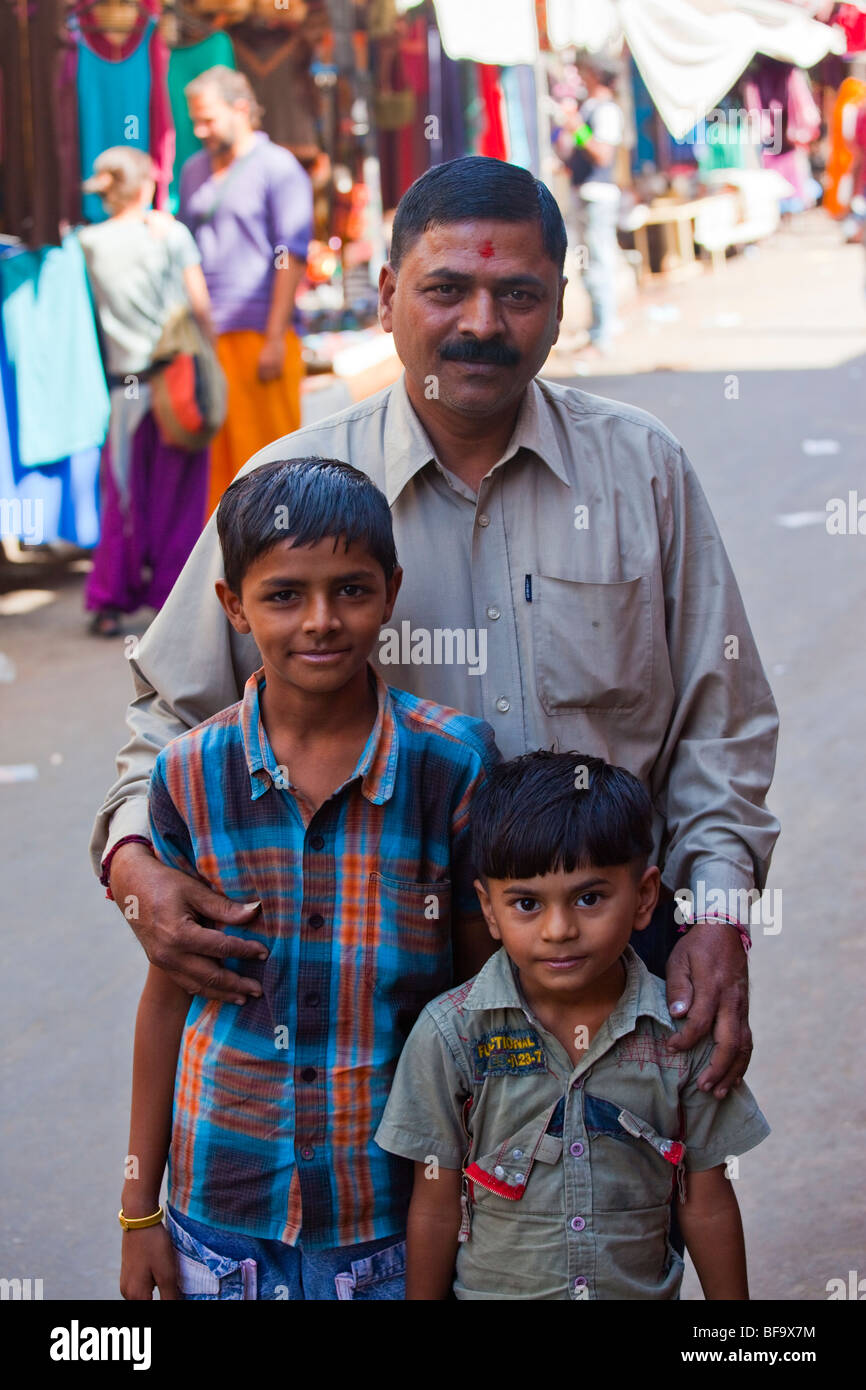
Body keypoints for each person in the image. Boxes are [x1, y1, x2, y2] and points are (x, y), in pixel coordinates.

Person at [93, 156, 779, 1108]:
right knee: (398, 1255)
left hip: (618, 984)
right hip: (374, 1003)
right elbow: (171, 717)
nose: (482, 326)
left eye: (519, 294)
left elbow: (723, 723)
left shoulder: (642, 473)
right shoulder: (293, 488)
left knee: (616, 1247)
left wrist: (716, 917)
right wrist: (134, 868)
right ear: (386, 296)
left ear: (562, 300)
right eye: (446, 289)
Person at [117, 456, 499, 1300]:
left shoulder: (453, 764)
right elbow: (167, 999)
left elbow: (478, 988)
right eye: (285, 595)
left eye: (351, 591)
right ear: (233, 605)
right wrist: (139, 1209)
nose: (321, 621)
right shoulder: (188, 774)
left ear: (392, 591)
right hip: (222, 1210)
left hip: (392, 1211)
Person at [376, 751, 769, 1300]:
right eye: (527, 904)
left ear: (644, 897)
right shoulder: (453, 1034)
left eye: (589, 898)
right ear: (489, 910)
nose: (559, 930)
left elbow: (705, 1201)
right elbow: (436, 1204)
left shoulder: (680, 1036)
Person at [78, 147, 214, 636]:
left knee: (122, 496)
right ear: (145, 186)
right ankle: (171, 598)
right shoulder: (170, 235)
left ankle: (109, 601)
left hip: (123, 388)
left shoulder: (87, 243)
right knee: (179, 492)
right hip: (175, 381)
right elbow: (200, 307)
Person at [179, 66, 312, 517]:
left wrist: (275, 335)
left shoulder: (278, 167)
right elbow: (186, 251)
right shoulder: (194, 169)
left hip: (259, 334)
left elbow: (290, 254)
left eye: (208, 119)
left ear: (241, 108)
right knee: (217, 478)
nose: (199, 130)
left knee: (271, 470)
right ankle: (227, 575)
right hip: (208, 339)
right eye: (194, 120)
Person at [555, 54, 624, 359]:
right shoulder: (591, 108)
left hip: (598, 196)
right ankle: (598, 330)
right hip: (584, 194)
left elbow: (603, 155)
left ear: (596, 74)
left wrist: (577, 128)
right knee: (589, 264)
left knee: (598, 264)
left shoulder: (606, 111)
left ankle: (603, 335)